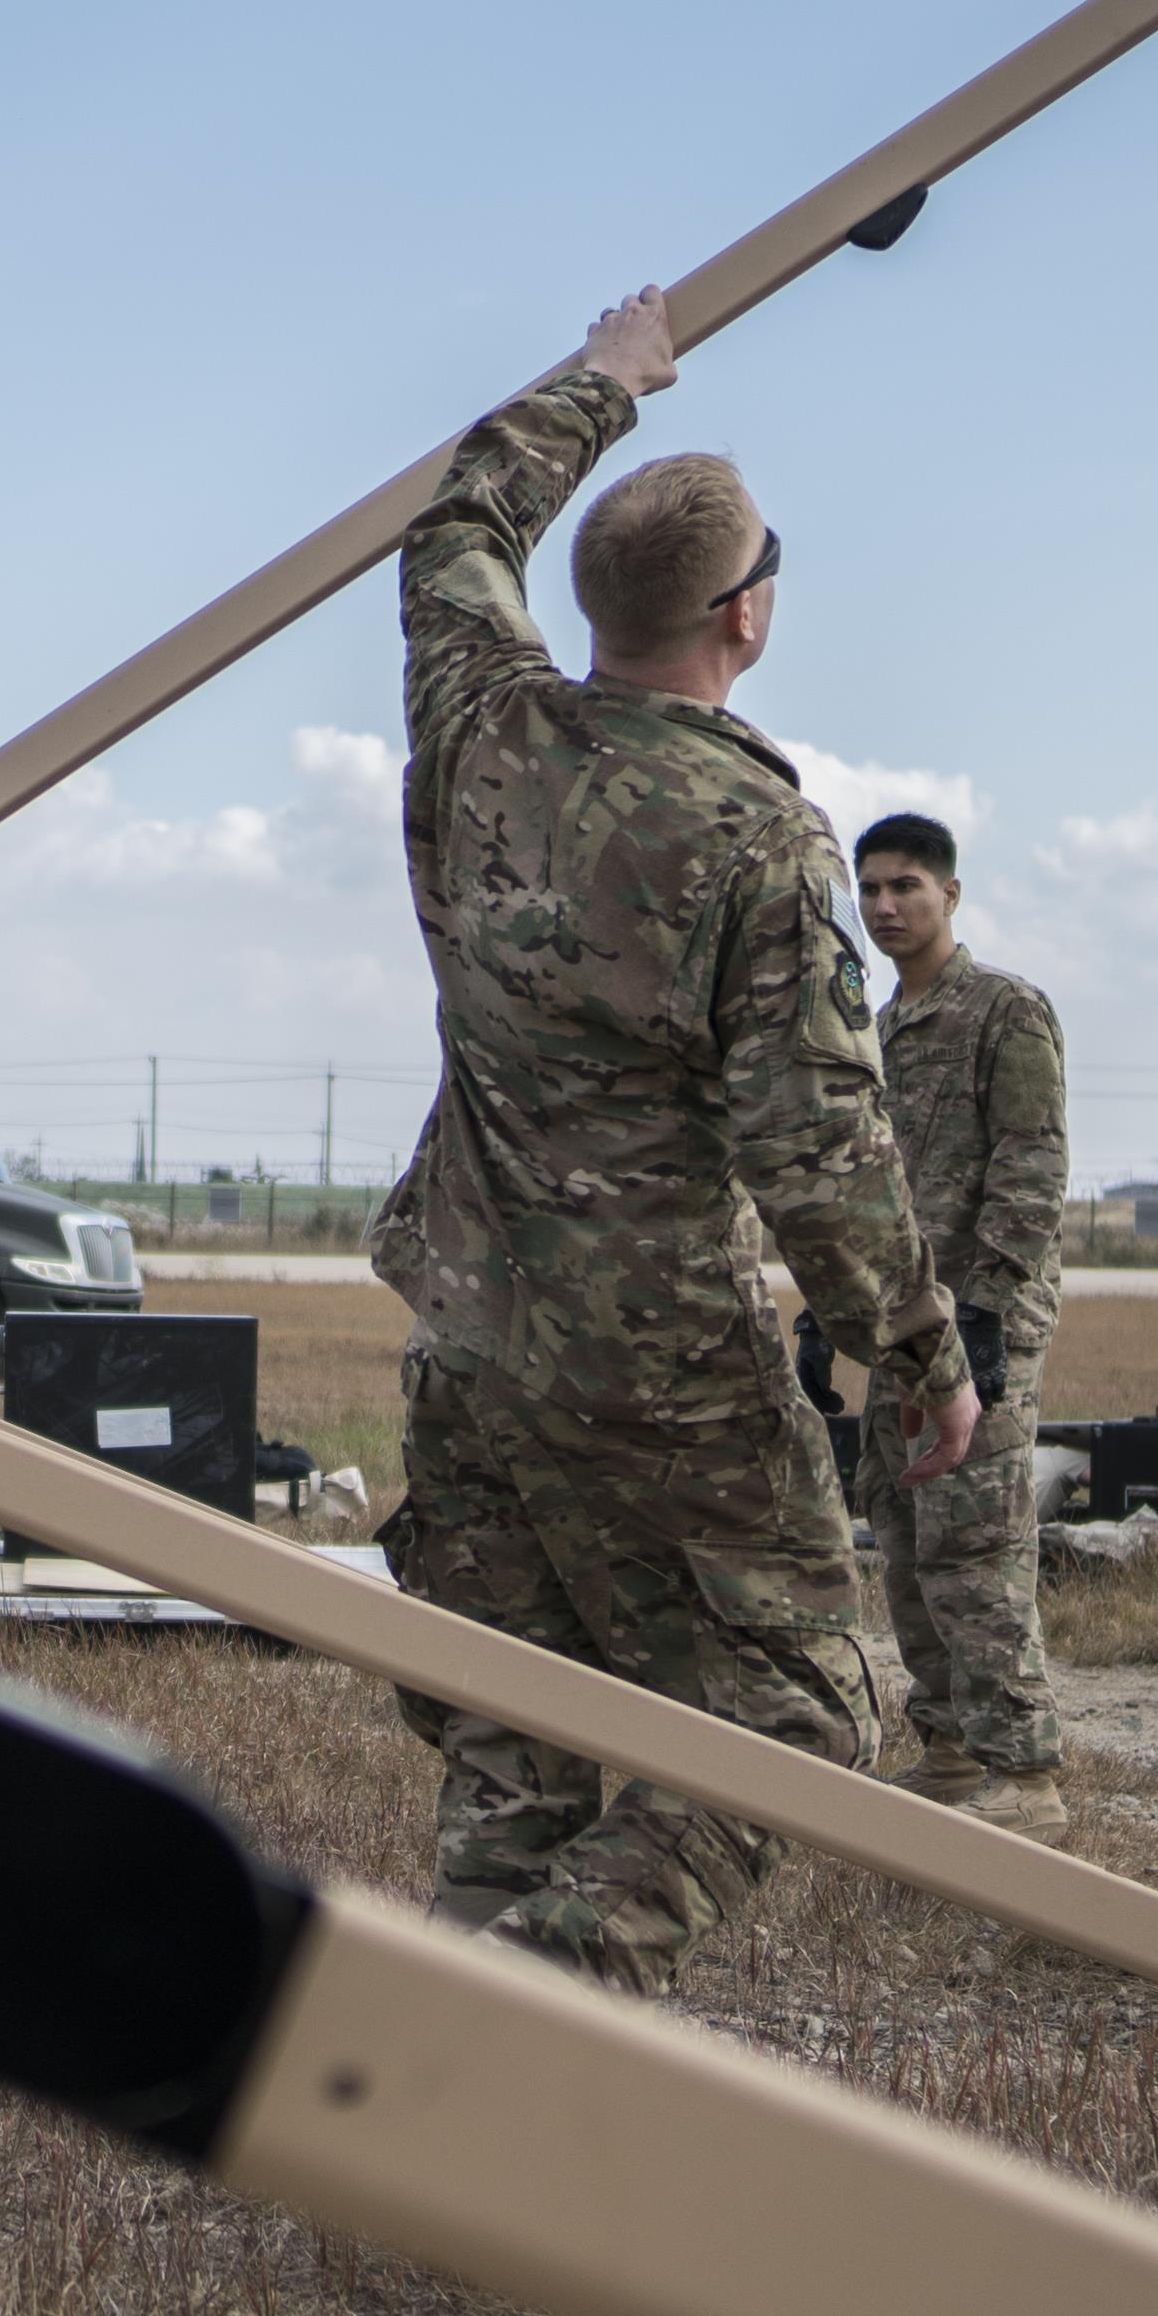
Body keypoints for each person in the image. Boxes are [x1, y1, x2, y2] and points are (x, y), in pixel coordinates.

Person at [366, 285, 976, 1998]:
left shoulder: (478, 724)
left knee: (515, 1719)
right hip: (653, 1356)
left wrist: (596, 385)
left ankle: (446, 2084)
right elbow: (814, 1143)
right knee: (790, 1712)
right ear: (746, 618)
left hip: (468, 1330)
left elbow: (454, 527)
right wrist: (915, 1349)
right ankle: (530, 2021)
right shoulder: (752, 834)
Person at [846, 812, 1074, 1838]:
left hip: (974, 1327)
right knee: (898, 1536)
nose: (885, 907)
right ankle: (946, 1746)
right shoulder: (872, 1025)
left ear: (949, 895)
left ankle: (1023, 1774)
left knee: (973, 1547)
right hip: (894, 1328)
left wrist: (982, 1316)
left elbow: (1029, 1167)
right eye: (870, 891)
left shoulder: (1001, 1010)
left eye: (905, 888)